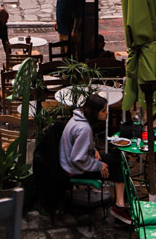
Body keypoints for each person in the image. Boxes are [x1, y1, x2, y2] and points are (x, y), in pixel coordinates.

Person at [59, 93, 131, 225]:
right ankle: (120, 207)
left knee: (117, 159)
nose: (107, 112)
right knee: (117, 168)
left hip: (74, 162)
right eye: (103, 110)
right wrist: (99, 166)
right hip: (74, 168)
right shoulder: (84, 128)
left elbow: (80, 146)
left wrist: (94, 150)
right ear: (94, 111)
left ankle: (121, 204)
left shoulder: (79, 119)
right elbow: (77, 159)